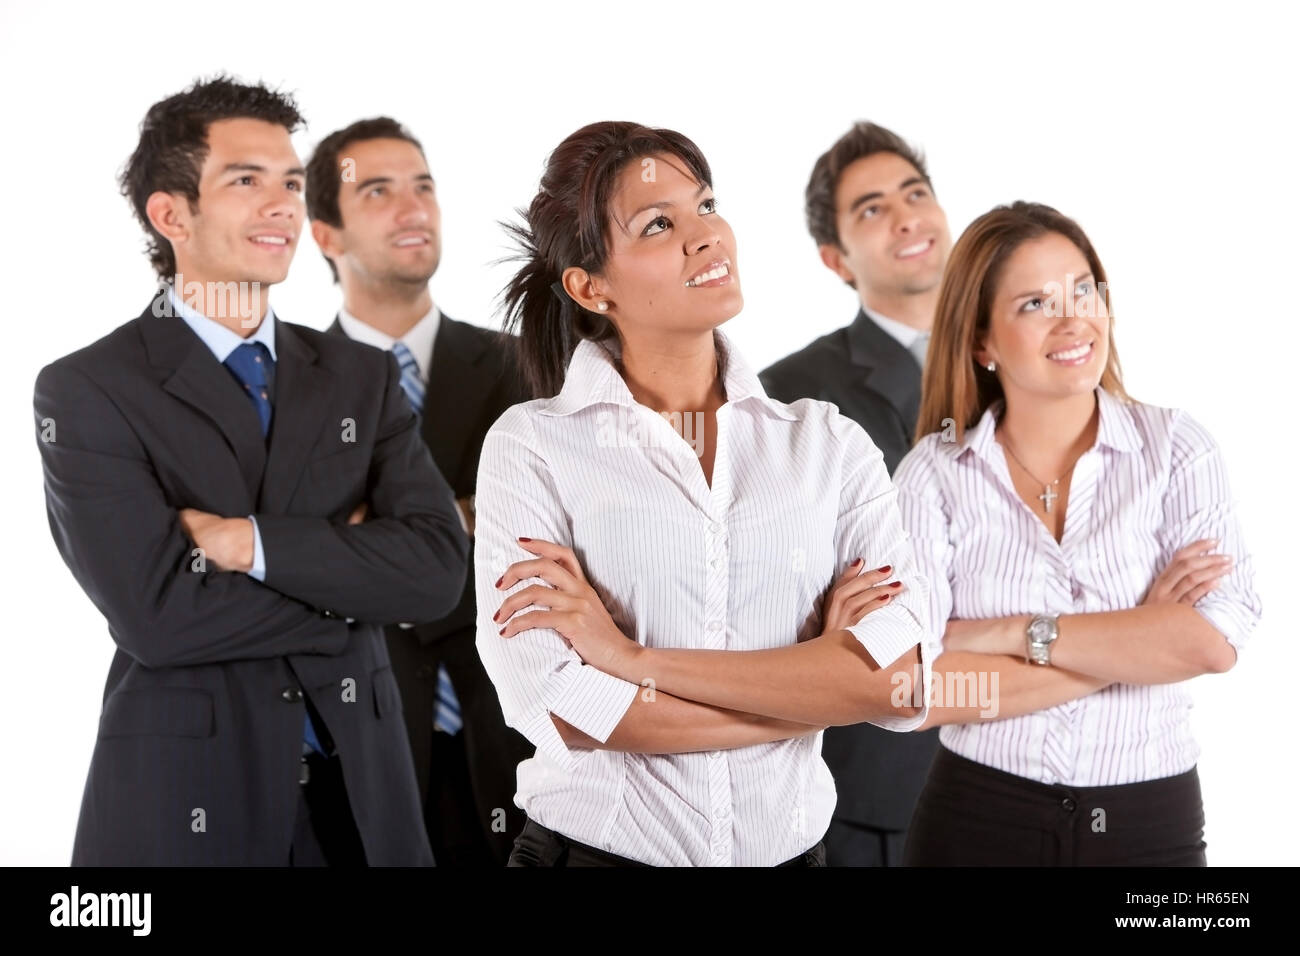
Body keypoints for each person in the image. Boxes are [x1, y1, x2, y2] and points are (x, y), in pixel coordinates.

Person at [473, 121, 935, 867]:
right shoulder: (534, 447)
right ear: (592, 287)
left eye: (707, 205)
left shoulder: (825, 443)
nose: (705, 236)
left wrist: (630, 657)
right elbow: (564, 706)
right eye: (660, 223)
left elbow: (902, 680)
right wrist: (815, 685)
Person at [32, 76, 469, 866]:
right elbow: (159, 617)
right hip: (190, 799)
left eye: (292, 183)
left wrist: (246, 545)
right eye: (246, 181)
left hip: (366, 802)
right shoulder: (88, 389)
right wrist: (351, 588)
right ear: (170, 215)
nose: (283, 206)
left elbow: (437, 573)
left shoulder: (361, 377)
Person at [894, 201, 1262, 866]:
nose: (1074, 320)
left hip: (1150, 825)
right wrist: (1137, 637)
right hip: (977, 819)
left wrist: (1014, 634)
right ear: (981, 341)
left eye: (1083, 289)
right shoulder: (933, 475)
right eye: (1035, 303)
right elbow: (919, 689)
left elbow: (1212, 641)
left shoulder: (1178, 450)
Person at [306, 116, 533, 866]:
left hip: (518, 741)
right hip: (354, 750)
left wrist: (381, 537)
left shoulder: (524, 368)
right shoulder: (285, 388)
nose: (413, 208)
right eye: (378, 191)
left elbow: (563, 534)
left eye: (423, 186)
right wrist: (462, 517)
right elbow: (293, 555)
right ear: (325, 235)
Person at [759, 121, 951, 866]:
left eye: (915, 194)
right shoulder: (792, 395)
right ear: (835, 259)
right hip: (881, 790)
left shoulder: (1034, 360)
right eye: (871, 208)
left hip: (1032, 761)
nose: (905, 216)